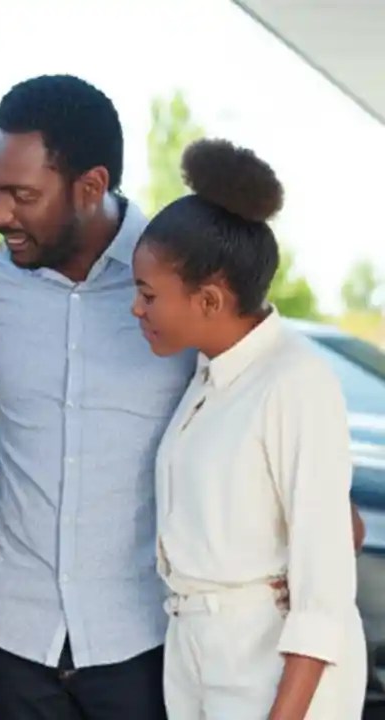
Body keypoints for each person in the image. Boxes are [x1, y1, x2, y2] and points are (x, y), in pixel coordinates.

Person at [0, 73, 366, 720]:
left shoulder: (182, 278)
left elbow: (304, 485)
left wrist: (312, 532)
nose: (0, 215)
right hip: (15, 637)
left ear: (91, 186)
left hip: (146, 645)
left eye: (22, 194)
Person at [132, 138, 366, 718]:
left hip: (276, 674)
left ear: (208, 299)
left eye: (147, 295)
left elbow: (326, 595)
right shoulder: (210, 374)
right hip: (199, 657)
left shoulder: (295, 380)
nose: (136, 309)